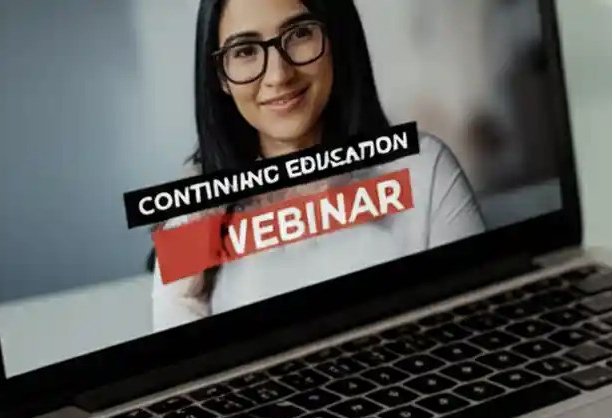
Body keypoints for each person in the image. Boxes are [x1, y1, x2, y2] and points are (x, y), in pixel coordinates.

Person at [152, 0, 486, 330]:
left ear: (335, 40)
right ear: (220, 77)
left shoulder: (425, 171)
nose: (278, 75)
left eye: (299, 34)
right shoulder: (194, 215)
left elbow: (476, 335)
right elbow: (187, 369)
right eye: (245, 51)